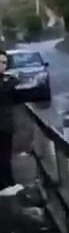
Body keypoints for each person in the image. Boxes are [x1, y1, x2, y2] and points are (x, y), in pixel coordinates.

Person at [0, 51, 19, 194]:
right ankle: (7, 187)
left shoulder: (6, 79)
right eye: (0, 62)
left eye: (4, 63)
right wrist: (11, 82)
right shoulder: (6, 81)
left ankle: (8, 186)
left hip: (5, 126)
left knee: (5, 157)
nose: (2, 66)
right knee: (3, 158)